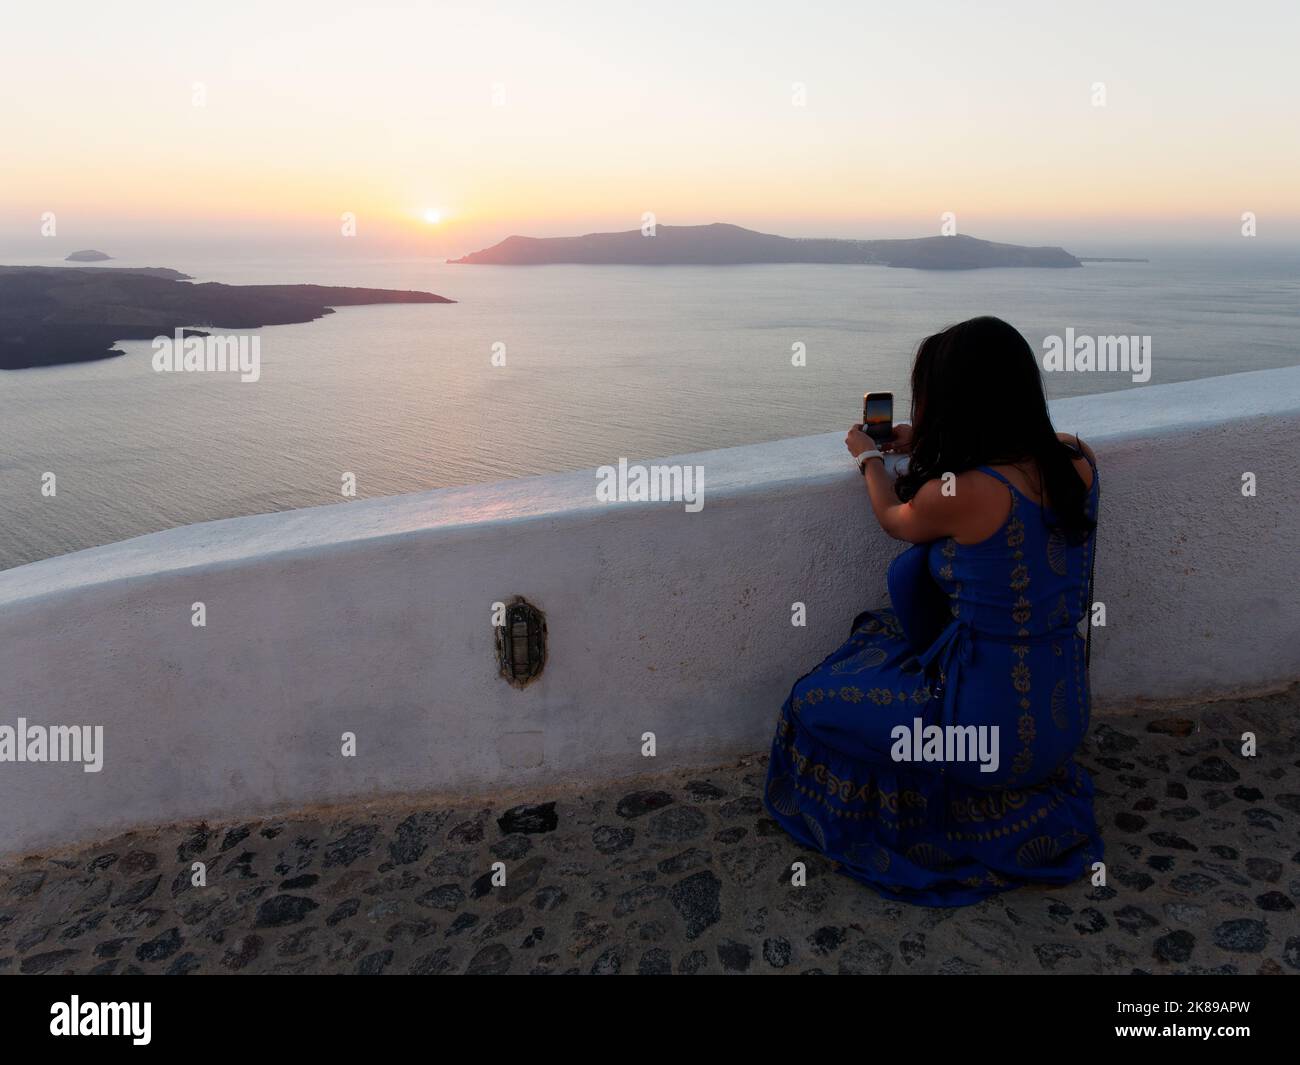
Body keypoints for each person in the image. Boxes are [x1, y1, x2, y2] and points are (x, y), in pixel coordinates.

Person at [763, 316, 1103, 906]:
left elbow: (895, 519)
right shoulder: (1077, 460)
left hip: (982, 731)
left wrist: (870, 457)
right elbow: (1007, 455)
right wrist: (922, 439)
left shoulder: (961, 492)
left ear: (947, 400)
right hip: (1062, 715)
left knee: (813, 702)